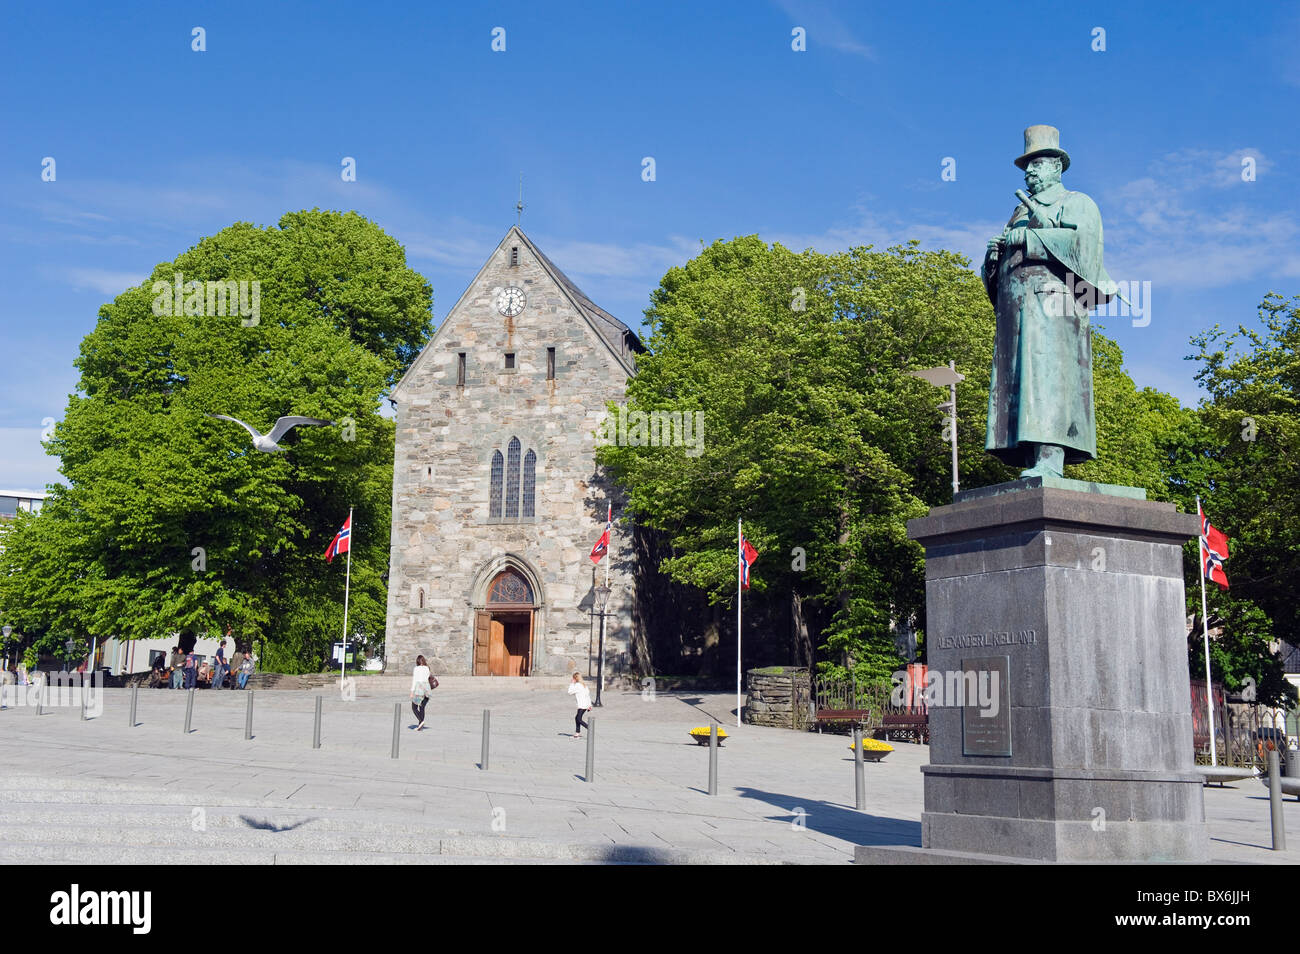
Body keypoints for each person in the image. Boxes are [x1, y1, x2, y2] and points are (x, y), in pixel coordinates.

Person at [982, 125, 1117, 478]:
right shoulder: (1018, 212)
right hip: (1016, 311)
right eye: (1026, 165)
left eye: (1036, 164)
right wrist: (993, 260)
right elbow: (1002, 269)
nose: (1029, 171)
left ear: (1057, 166)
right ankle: (1032, 458)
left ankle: (1050, 458)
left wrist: (1027, 239)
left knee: (1047, 380)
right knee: (1019, 382)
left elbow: (1082, 248)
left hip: (1054, 310)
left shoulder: (1076, 203)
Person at [409, 654, 437, 731]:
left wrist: (412, 692)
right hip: (427, 690)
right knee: (422, 707)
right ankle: (420, 725)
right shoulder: (427, 668)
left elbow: (415, 680)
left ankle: (421, 721)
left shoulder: (416, 669)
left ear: (417, 661)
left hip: (419, 690)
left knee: (414, 707)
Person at [568, 672, 592, 739]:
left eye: (573, 678)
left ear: (575, 678)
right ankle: (577, 733)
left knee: (578, 719)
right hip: (585, 705)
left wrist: (572, 683)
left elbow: (569, 692)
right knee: (577, 718)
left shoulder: (577, 685)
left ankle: (589, 728)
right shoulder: (584, 685)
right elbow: (588, 696)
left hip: (581, 705)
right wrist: (589, 705)